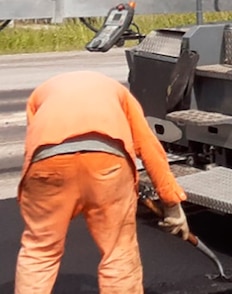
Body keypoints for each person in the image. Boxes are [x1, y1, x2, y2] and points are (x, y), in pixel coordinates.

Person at [16, 70, 190, 294]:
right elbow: (148, 147)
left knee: (39, 252)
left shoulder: (41, 93)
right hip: (107, 165)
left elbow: (36, 144)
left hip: (48, 167)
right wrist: (172, 205)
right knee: (118, 251)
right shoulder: (119, 93)